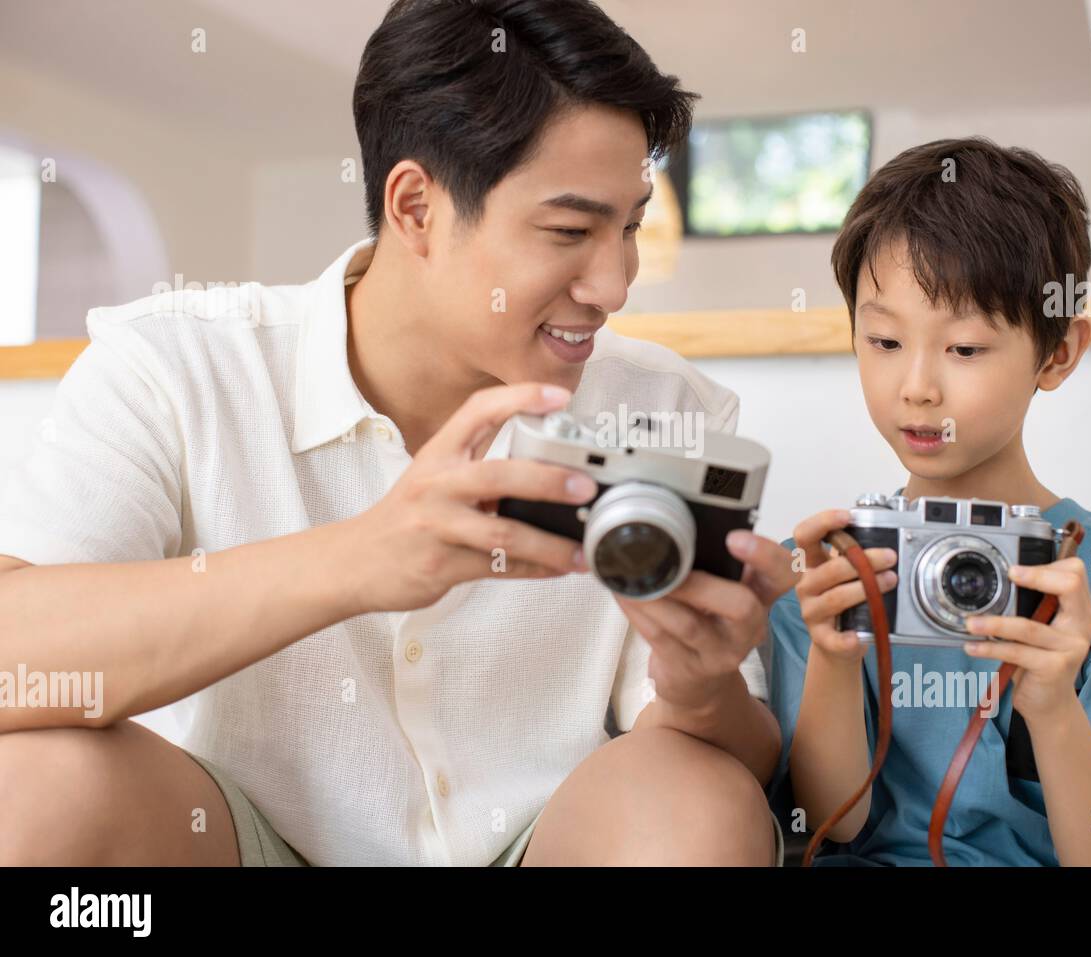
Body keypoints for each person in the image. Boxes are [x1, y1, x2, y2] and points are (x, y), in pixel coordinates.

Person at [0, 0, 792, 867]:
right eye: (570, 230)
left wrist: (702, 687)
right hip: (242, 845)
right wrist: (361, 558)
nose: (614, 283)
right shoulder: (177, 366)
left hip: (544, 845)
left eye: (630, 225)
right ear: (415, 207)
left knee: (702, 801)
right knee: (33, 781)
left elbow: (743, 769)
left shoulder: (666, 406)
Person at [767, 137, 1091, 866]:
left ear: (1057, 353)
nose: (918, 386)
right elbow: (828, 822)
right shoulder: (821, 572)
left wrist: (1053, 703)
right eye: (884, 340)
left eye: (964, 348)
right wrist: (834, 659)